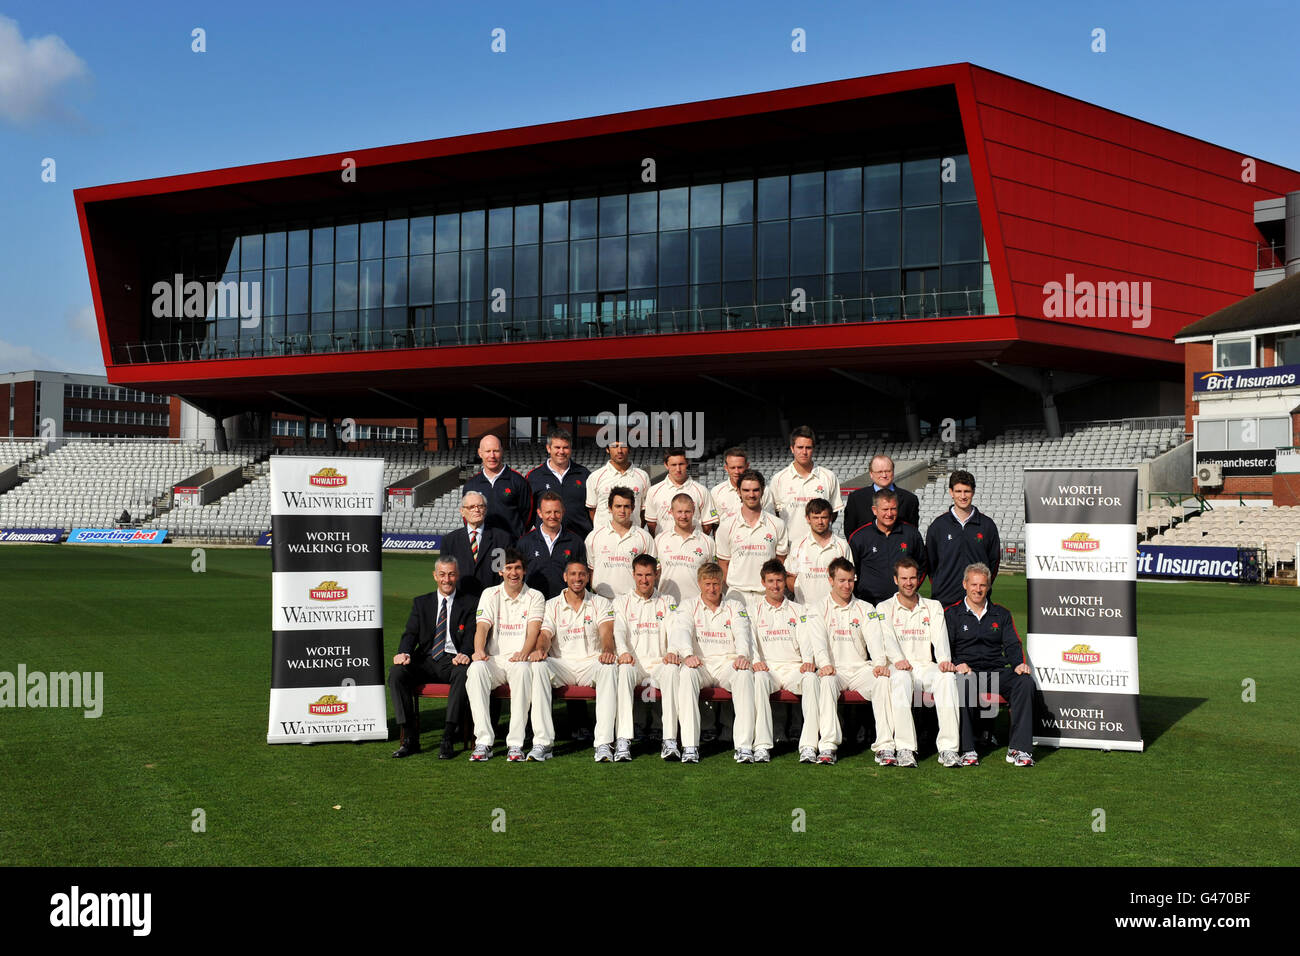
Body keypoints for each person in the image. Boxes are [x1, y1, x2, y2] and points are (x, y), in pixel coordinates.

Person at [815, 557, 915, 767]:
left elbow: (875, 638)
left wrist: (879, 663)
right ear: (830, 580)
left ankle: (885, 745)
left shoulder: (865, 607)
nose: (847, 585)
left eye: (851, 580)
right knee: (825, 681)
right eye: (842, 580)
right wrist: (824, 664)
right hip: (835, 670)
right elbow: (819, 642)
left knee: (882, 680)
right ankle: (827, 746)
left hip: (860, 668)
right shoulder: (818, 608)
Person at [388, 555, 479, 759]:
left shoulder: (470, 603)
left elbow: (472, 634)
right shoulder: (421, 603)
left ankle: (448, 736)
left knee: (464, 672)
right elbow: (410, 633)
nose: (447, 579)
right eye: (442, 575)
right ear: (435, 576)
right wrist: (404, 652)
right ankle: (410, 738)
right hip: (426, 659)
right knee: (397, 673)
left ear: (457, 575)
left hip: (453, 660)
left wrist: (465, 653)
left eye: (451, 574)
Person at [946, 562, 1034, 767]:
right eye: (974, 584)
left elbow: (1013, 644)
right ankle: (968, 749)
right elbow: (945, 648)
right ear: (964, 584)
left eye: (983, 585)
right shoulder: (952, 614)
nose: (978, 589)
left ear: (988, 586)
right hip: (968, 672)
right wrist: (958, 663)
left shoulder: (1001, 614)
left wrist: (1019, 664)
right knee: (964, 684)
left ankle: (1019, 749)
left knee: (1025, 682)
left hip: (996, 672)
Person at [668, 563, 758, 764]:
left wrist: (742, 655)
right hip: (701, 663)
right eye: (707, 584)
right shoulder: (688, 605)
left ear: (722, 583)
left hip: (727, 663)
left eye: (716, 584)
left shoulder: (735, 606)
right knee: (687, 673)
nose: (712, 589)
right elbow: (682, 630)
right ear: (699, 583)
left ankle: (744, 746)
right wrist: (688, 654)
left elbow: (742, 632)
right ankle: (690, 746)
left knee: (744, 674)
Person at [875, 555, 961, 767]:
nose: (908, 583)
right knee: (901, 678)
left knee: (947, 678)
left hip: (924, 665)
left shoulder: (933, 606)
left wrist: (944, 661)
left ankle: (948, 749)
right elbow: (886, 639)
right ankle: (905, 748)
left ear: (919, 579)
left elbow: (940, 638)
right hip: (899, 667)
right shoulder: (884, 607)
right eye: (904, 578)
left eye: (912, 578)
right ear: (895, 579)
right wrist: (898, 660)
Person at [750, 559, 836, 764]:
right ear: (763, 583)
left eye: (779, 580)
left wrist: (808, 661)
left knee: (811, 679)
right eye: (770, 581)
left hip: (793, 667)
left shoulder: (799, 610)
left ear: (785, 582)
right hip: (768, 667)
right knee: (759, 679)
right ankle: (762, 745)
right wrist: (755, 660)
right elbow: (750, 639)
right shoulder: (753, 609)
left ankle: (808, 745)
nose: (775, 586)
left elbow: (806, 638)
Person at [534, 560, 620, 762]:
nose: (577, 578)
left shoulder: (601, 603)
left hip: (591, 663)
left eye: (582, 574)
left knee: (608, 667)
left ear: (588, 577)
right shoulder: (551, 604)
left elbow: (606, 632)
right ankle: (543, 742)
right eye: (572, 574)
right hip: (562, 663)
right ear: (565, 577)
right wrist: (540, 650)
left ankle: (604, 743)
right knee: (537, 667)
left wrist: (608, 650)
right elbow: (545, 635)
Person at [465, 548, 546, 762]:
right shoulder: (489, 594)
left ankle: (515, 744)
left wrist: (524, 653)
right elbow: (482, 628)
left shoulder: (535, 596)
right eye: (508, 568)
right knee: (475, 670)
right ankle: (483, 741)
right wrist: (479, 650)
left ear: (524, 570)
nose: (513, 573)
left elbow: (533, 630)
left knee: (521, 670)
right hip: (495, 660)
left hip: (520, 659)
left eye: (517, 568)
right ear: (500, 571)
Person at [612, 554, 683, 760]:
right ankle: (623, 740)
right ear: (633, 575)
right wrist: (623, 652)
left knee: (672, 670)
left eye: (649, 575)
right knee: (623, 670)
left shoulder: (667, 601)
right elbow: (618, 630)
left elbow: (675, 629)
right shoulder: (621, 602)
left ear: (656, 575)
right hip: (635, 664)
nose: (644, 580)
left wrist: (673, 651)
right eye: (640, 575)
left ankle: (669, 740)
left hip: (660, 663)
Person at [924, 469, 1001, 608]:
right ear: (951, 492)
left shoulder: (987, 525)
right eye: (958, 491)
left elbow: (993, 564)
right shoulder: (938, 526)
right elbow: (931, 564)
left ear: (973, 492)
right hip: (944, 601)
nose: (963, 496)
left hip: (977, 601)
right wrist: (941, 584)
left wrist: (981, 587)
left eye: (967, 491)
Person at [716, 469, 788, 614]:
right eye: (746, 490)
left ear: (762, 491)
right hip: (736, 595)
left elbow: (780, 561)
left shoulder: (777, 524)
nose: (751, 494)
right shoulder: (726, 526)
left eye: (756, 490)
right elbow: (723, 564)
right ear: (738, 492)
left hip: (766, 594)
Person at [847, 488, 926, 606]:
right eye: (885, 509)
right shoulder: (859, 537)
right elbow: (851, 571)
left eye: (893, 509)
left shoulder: (911, 534)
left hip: (902, 603)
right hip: (869, 604)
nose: (889, 514)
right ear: (874, 510)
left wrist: (910, 588)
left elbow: (923, 565)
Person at [770, 426, 843, 545]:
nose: (804, 452)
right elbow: (773, 515)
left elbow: (833, 511)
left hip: (821, 545)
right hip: (790, 546)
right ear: (792, 449)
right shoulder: (779, 479)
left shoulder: (828, 477)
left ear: (813, 449)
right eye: (800, 447)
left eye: (808, 447)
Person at [584, 486, 656, 600]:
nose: (622, 511)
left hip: (634, 601)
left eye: (626, 506)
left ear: (632, 508)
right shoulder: (594, 537)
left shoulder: (644, 538)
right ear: (610, 508)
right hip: (602, 600)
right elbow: (590, 570)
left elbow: (652, 571)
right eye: (618, 506)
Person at [440, 491, 512, 598]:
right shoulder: (450, 540)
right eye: (471, 507)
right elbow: (446, 575)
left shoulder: (502, 539)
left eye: (480, 506)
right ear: (462, 511)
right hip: (460, 601)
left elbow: (503, 572)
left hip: (492, 601)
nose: (476, 510)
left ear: (486, 510)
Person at [515, 491, 586, 598]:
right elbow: (518, 576)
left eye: (557, 512)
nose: (552, 516)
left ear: (563, 512)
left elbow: (582, 576)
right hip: (533, 604)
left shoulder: (575, 542)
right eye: (548, 512)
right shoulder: (525, 542)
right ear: (539, 513)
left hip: (565, 605)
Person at [525, 427, 592, 539]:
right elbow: (527, 514)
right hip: (546, 543)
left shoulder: (584, 474)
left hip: (581, 540)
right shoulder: (534, 477)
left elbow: (593, 509)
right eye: (557, 447)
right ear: (548, 448)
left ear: (570, 449)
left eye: (565, 447)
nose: (561, 451)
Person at [462, 433, 532, 541]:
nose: (492, 456)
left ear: (502, 451)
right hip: (483, 545)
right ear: (480, 453)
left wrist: (516, 534)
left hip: (512, 546)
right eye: (487, 451)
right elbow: (467, 515)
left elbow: (527, 516)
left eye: (496, 451)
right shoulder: (471, 485)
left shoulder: (518, 481)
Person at [785, 498, 851, 606]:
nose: (820, 522)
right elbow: (790, 577)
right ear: (808, 518)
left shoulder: (842, 545)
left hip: (834, 609)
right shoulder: (798, 544)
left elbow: (849, 578)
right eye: (815, 518)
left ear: (830, 518)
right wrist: (804, 597)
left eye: (824, 517)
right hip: (805, 609)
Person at [654, 494, 716, 603]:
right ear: (671, 512)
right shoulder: (659, 540)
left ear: (693, 511)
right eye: (679, 512)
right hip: (666, 604)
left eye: (687, 511)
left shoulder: (707, 542)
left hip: (696, 605)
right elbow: (655, 574)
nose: (683, 516)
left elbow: (711, 576)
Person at [642, 447, 719, 535]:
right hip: (665, 546)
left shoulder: (702, 491)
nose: (678, 469)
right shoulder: (653, 491)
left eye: (681, 464)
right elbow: (651, 523)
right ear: (666, 465)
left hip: (693, 545)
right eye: (674, 465)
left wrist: (696, 540)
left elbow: (707, 524)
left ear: (687, 463)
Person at [843, 454, 920, 534]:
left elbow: (912, 532)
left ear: (893, 472)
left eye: (888, 471)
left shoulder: (910, 499)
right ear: (871, 474)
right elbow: (850, 531)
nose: (884, 475)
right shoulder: (856, 498)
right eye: (879, 472)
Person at [586, 440, 650, 531]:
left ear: (629, 449)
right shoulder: (595, 477)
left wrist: (634, 528)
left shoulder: (642, 476)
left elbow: (644, 510)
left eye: (623, 446)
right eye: (615, 446)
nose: (619, 450)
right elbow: (592, 510)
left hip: (633, 535)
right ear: (607, 449)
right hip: (604, 537)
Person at [709, 446, 776, 524]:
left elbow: (770, 519)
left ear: (747, 466)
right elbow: (713, 519)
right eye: (732, 468)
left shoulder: (764, 491)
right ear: (726, 468)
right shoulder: (716, 492)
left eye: (740, 467)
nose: (737, 471)